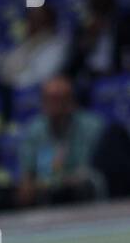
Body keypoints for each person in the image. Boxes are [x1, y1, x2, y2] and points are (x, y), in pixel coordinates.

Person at [16, 76, 106, 208]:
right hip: (49, 190)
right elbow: (34, 174)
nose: (55, 106)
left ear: (71, 101)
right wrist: (29, 184)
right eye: (50, 100)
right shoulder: (36, 131)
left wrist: (67, 179)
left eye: (60, 99)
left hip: (86, 190)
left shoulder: (92, 126)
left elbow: (93, 169)